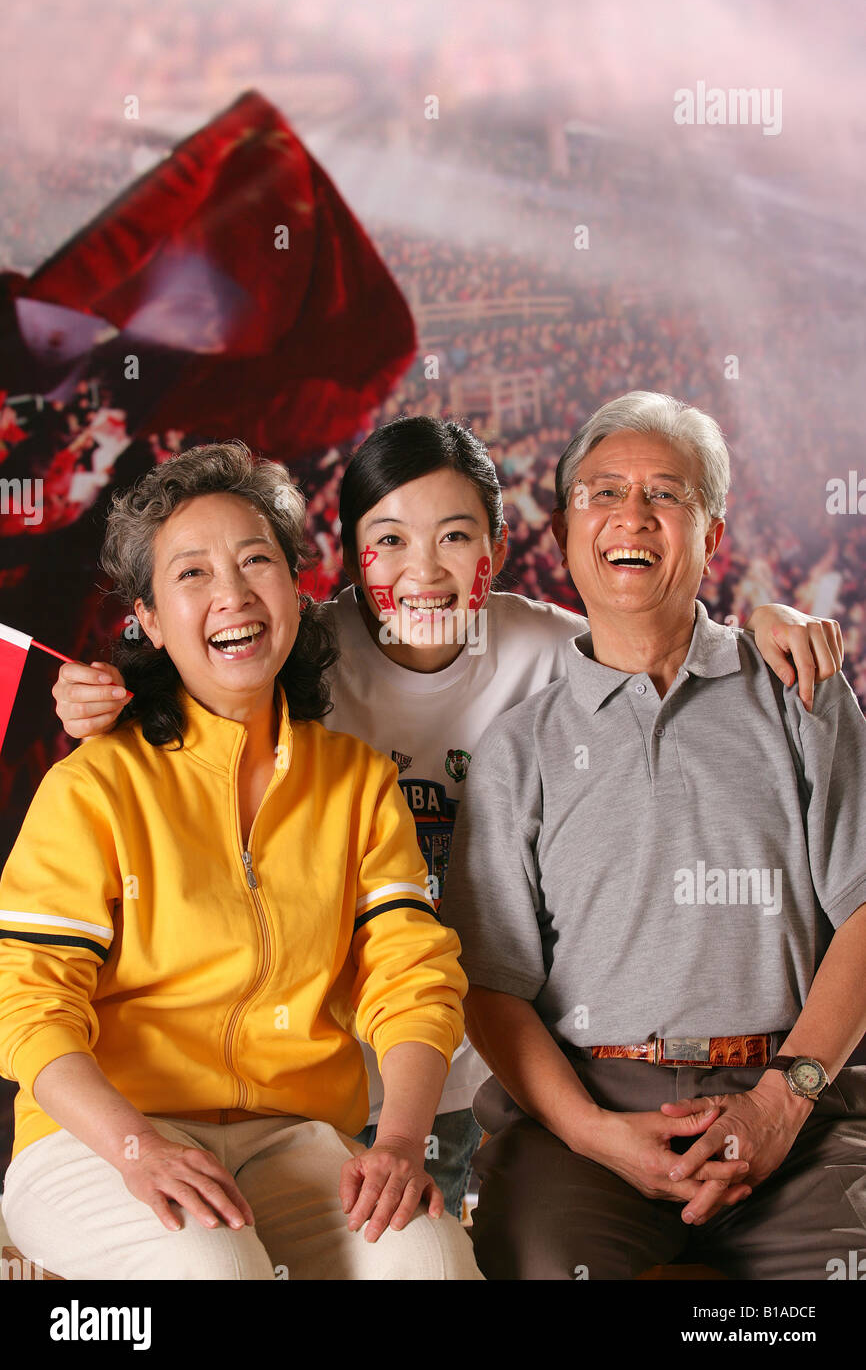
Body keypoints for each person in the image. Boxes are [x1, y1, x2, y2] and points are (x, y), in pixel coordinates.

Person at [48, 416, 844, 1220]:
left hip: (465, 1048)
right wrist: (101, 692)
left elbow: (666, 633)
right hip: (311, 1049)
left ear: (494, 550)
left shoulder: (547, 644)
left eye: (454, 537)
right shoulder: (294, 641)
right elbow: (193, 660)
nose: (422, 571)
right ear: (347, 555)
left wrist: (767, 625)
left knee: (435, 1243)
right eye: (388, 540)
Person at [0, 442, 482, 1280]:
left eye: (256, 559)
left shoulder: (359, 781)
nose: (232, 593)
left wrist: (400, 1142)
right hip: (100, 1139)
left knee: (431, 1258)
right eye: (191, 573)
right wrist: (137, 1147)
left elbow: (412, 978)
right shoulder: (95, 785)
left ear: (296, 588)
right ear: (148, 620)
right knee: (213, 1263)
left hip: (291, 1138)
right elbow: (28, 1006)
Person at [442, 391, 866, 1280]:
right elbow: (492, 986)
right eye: (603, 494)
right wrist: (595, 1133)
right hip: (586, 1115)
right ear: (564, 531)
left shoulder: (803, 693)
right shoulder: (518, 749)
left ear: (713, 537)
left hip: (796, 1095)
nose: (631, 516)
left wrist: (781, 1104)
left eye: (665, 495)